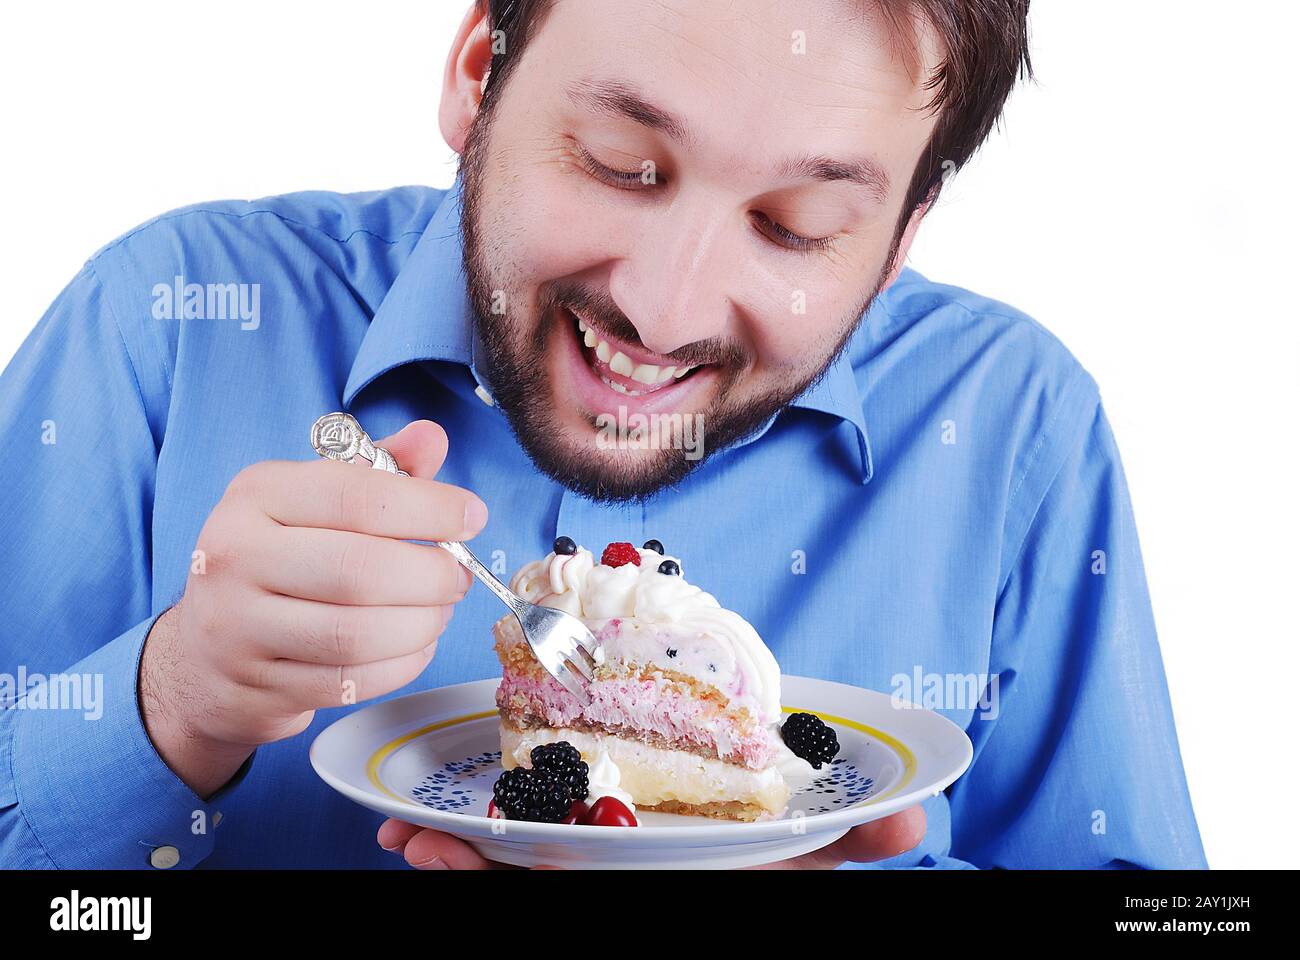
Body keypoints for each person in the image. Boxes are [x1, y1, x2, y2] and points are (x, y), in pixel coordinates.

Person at [0, 0, 1206, 870]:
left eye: (792, 227)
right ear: (478, 74)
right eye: (623, 166)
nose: (666, 309)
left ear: (898, 235)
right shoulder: (165, 323)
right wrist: (175, 701)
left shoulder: (1011, 420)